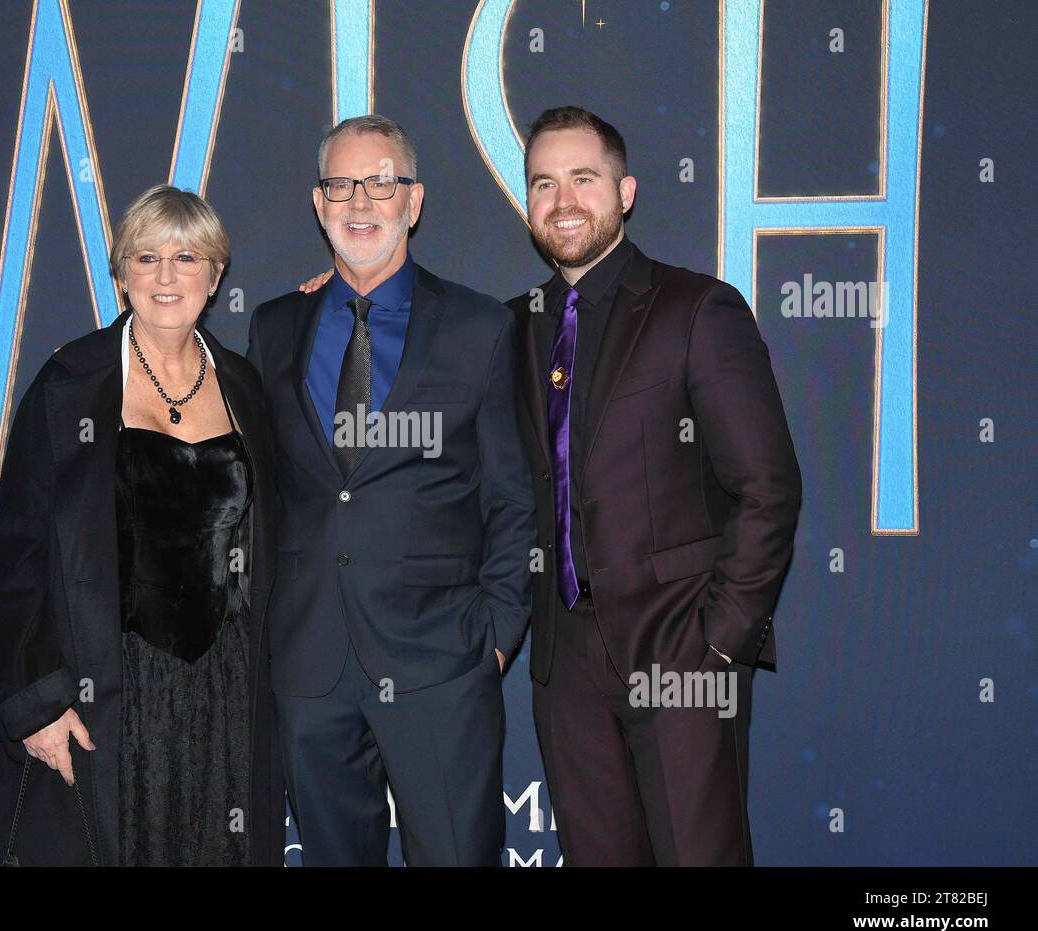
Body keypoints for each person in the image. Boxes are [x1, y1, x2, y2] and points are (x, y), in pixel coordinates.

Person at [506, 106, 803, 865]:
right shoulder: (510, 327)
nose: (563, 200)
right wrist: (343, 295)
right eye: (544, 183)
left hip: (682, 657)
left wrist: (720, 645)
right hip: (564, 666)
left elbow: (767, 486)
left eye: (583, 178)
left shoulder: (697, 309)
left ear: (626, 191)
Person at [247, 114, 536, 866]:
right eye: (341, 184)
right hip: (309, 665)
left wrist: (496, 639)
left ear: (414, 201)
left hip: (441, 663)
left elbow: (513, 497)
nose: (361, 200)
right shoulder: (274, 327)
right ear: (318, 204)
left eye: (382, 181)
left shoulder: (479, 327)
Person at [0, 184, 285, 866]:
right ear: (121, 275)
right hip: (110, 688)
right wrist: (36, 701)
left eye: (187, 257)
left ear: (215, 274)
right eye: (146, 258)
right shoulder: (69, 384)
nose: (167, 276)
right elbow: (18, 559)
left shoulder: (244, 385)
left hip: (229, 689)